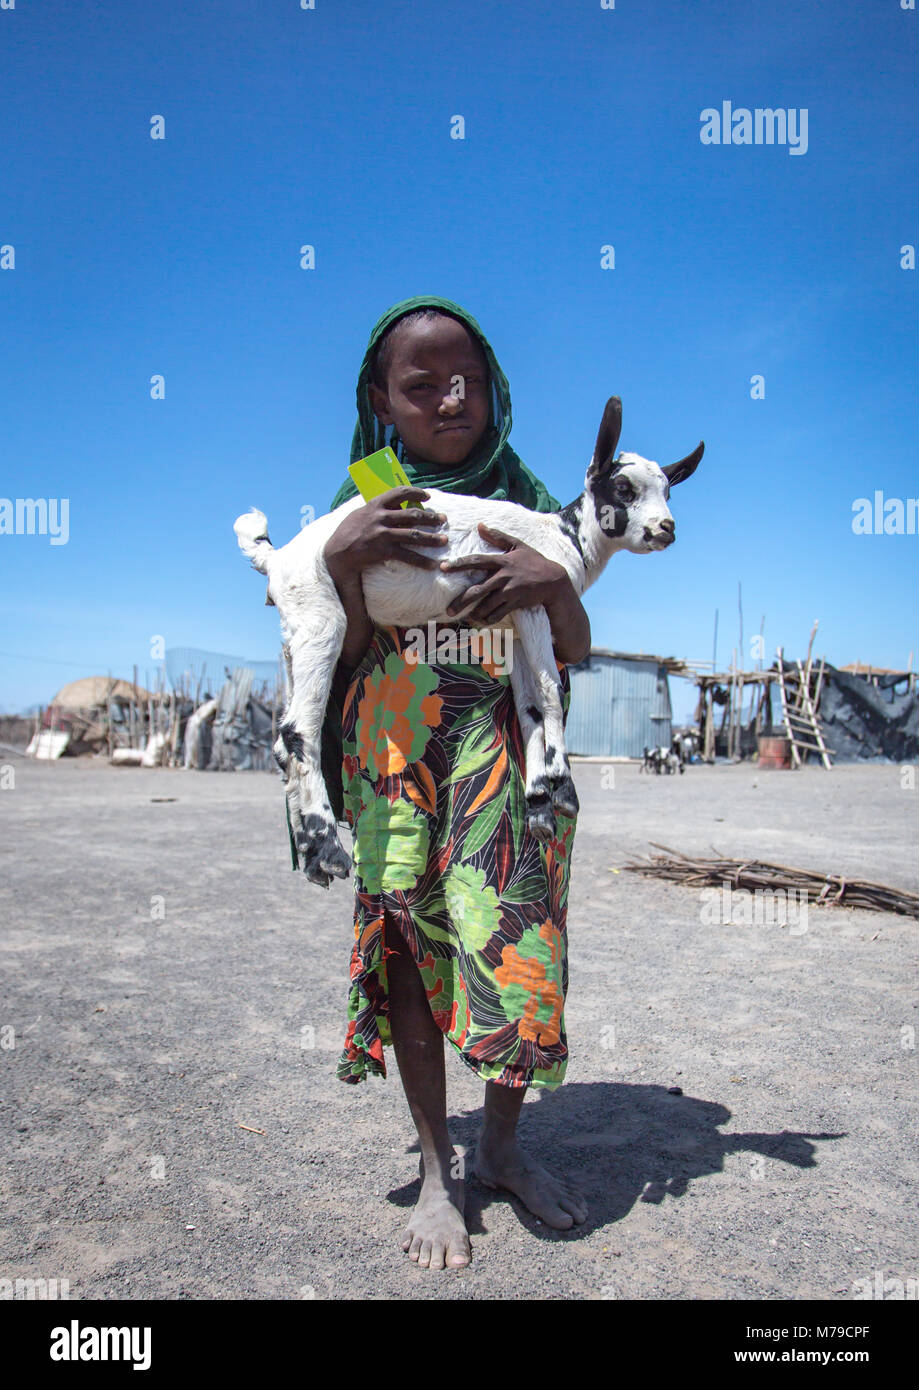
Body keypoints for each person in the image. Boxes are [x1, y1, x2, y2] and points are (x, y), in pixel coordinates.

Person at [320, 295, 591, 1271]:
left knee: (516, 939)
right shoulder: (366, 502)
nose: (450, 398)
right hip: (395, 753)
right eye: (421, 384)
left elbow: (575, 651)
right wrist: (347, 573)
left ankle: (504, 1149)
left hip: (504, 748)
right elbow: (340, 652)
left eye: (466, 378)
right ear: (380, 399)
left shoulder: (526, 497)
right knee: (407, 947)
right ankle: (440, 1173)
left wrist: (551, 584)